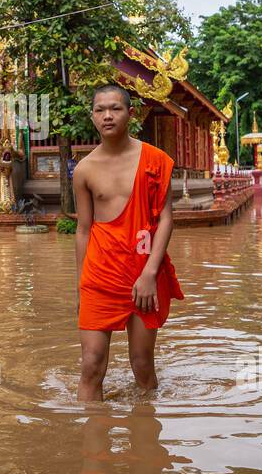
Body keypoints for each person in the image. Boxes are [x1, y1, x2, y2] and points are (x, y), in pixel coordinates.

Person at [72, 84, 183, 401]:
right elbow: (83, 229)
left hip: (143, 274)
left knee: (142, 364)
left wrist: (149, 273)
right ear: (92, 116)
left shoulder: (155, 160)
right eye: (100, 110)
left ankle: (145, 438)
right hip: (100, 275)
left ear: (130, 114)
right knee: (91, 365)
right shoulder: (84, 170)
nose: (107, 116)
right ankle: (89, 445)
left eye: (115, 108)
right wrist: (82, 285)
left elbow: (165, 219)